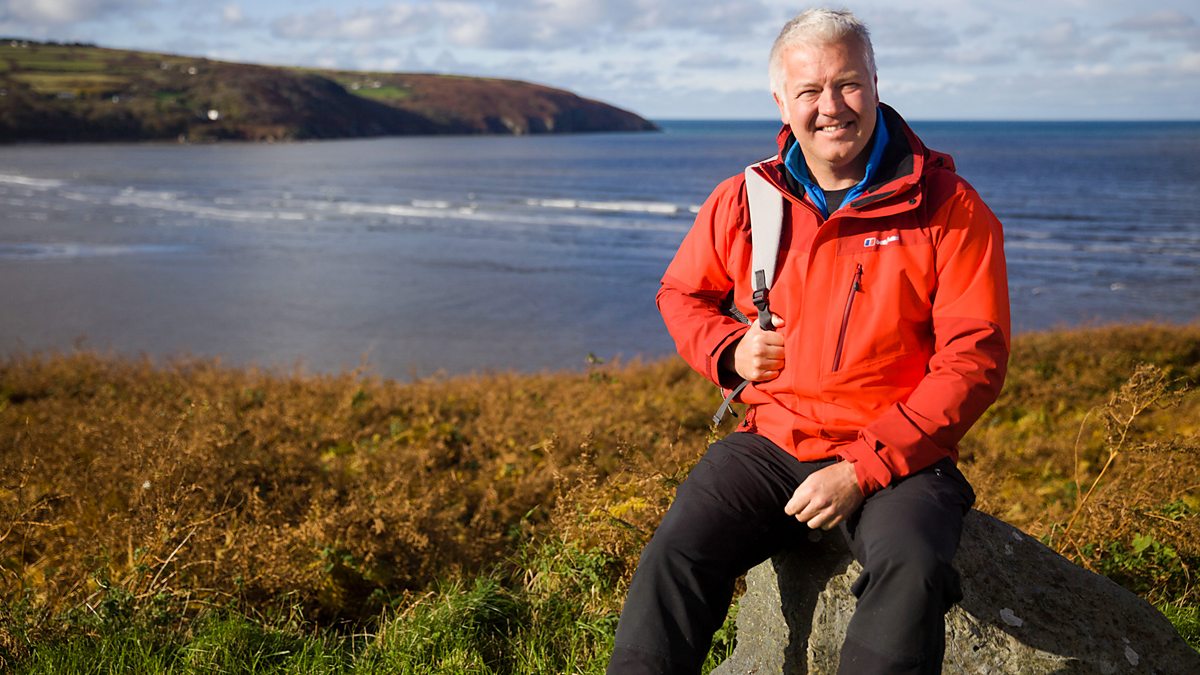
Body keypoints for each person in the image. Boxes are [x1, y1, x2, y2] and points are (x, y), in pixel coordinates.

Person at [607, 7, 1010, 674]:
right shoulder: (747, 199)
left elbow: (975, 358)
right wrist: (729, 350)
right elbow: (681, 294)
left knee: (912, 566)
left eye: (848, 84)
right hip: (773, 443)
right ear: (781, 101)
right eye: (809, 91)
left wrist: (862, 468)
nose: (832, 107)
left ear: (876, 82)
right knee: (677, 550)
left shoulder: (949, 207)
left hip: (897, 455)